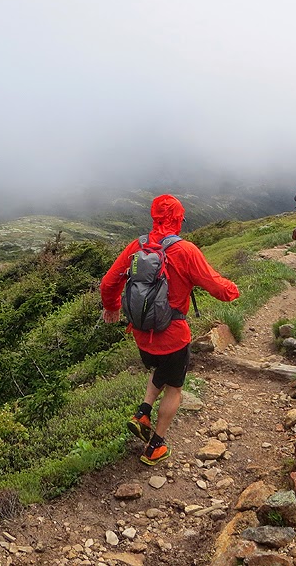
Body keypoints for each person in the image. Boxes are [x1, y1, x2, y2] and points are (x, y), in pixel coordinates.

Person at [100, 194, 240, 466]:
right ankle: (156, 445)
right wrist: (235, 291)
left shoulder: (137, 246)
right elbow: (216, 287)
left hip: (142, 333)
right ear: (178, 219)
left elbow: (108, 283)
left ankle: (143, 413)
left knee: (159, 369)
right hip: (173, 335)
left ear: (154, 217)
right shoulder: (186, 250)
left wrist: (112, 307)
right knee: (174, 388)